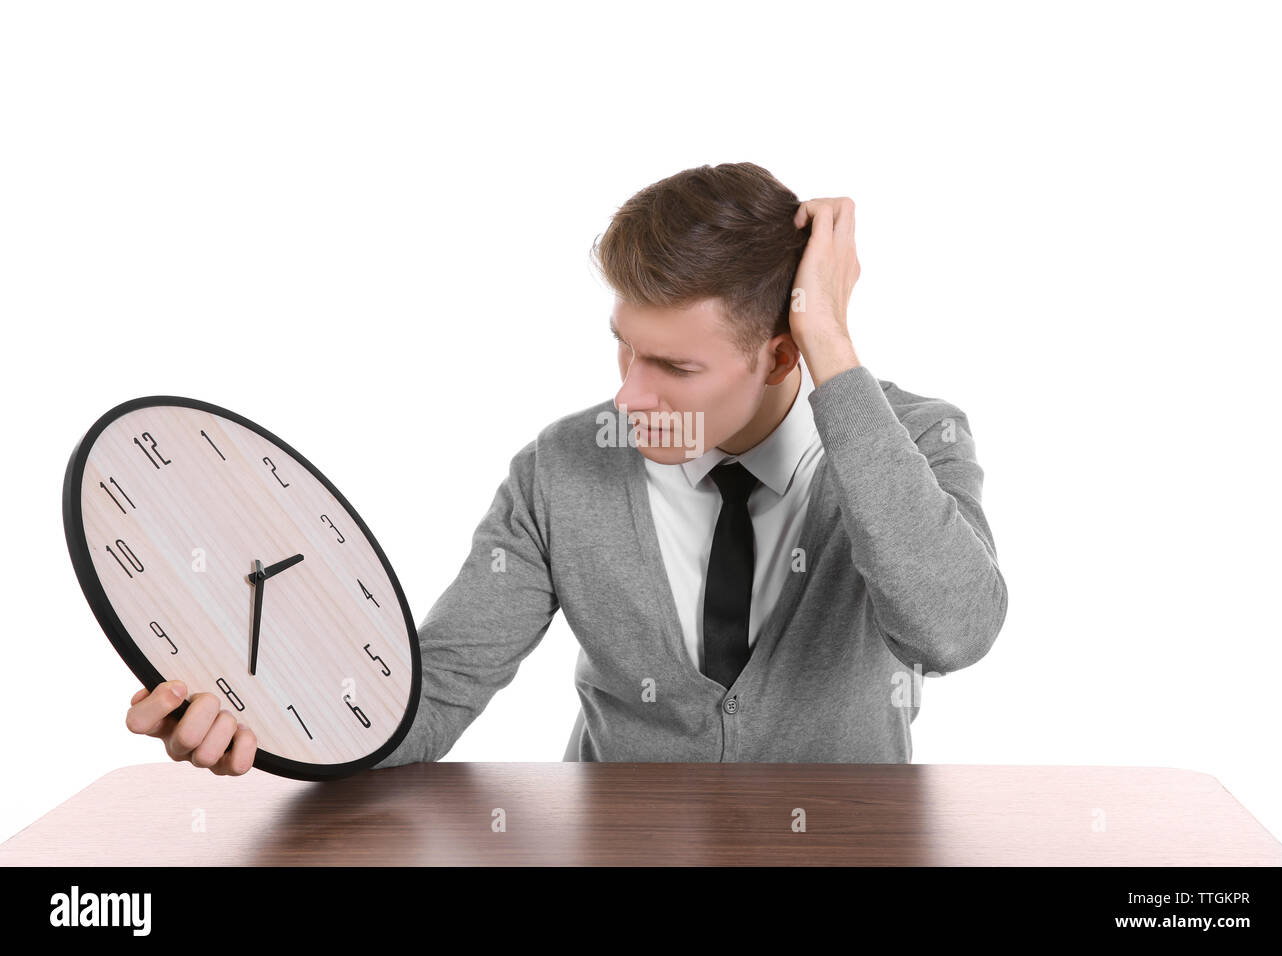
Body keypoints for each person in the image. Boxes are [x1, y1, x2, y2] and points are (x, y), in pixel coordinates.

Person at [125, 162, 1008, 775]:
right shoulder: (563, 468)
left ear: (782, 356)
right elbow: (430, 700)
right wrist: (272, 721)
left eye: (676, 368)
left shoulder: (914, 439)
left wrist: (834, 353)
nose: (628, 400)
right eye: (625, 351)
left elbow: (953, 633)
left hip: (846, 859)